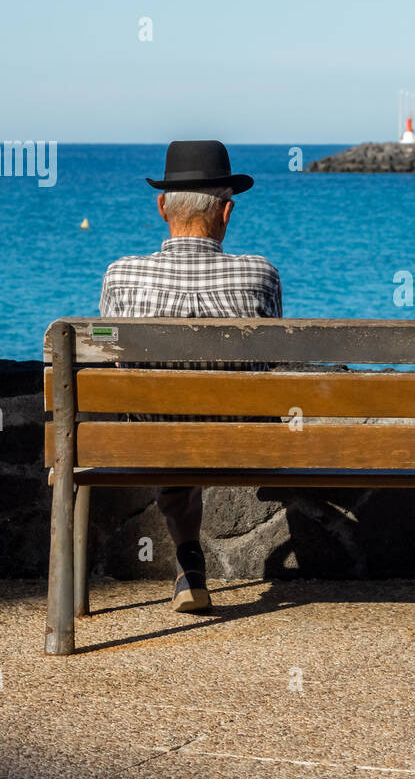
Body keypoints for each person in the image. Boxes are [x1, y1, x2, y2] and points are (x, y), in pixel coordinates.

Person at [99, 140, 282, 612]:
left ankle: (188, 561)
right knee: (200, 415)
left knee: (162, 420)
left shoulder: (120, 276)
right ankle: (190, 565)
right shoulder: (259, 274)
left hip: (149, 445)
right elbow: (274, 362)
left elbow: (107, 364)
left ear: (162, 207)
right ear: (226, 213)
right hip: (243, 443)